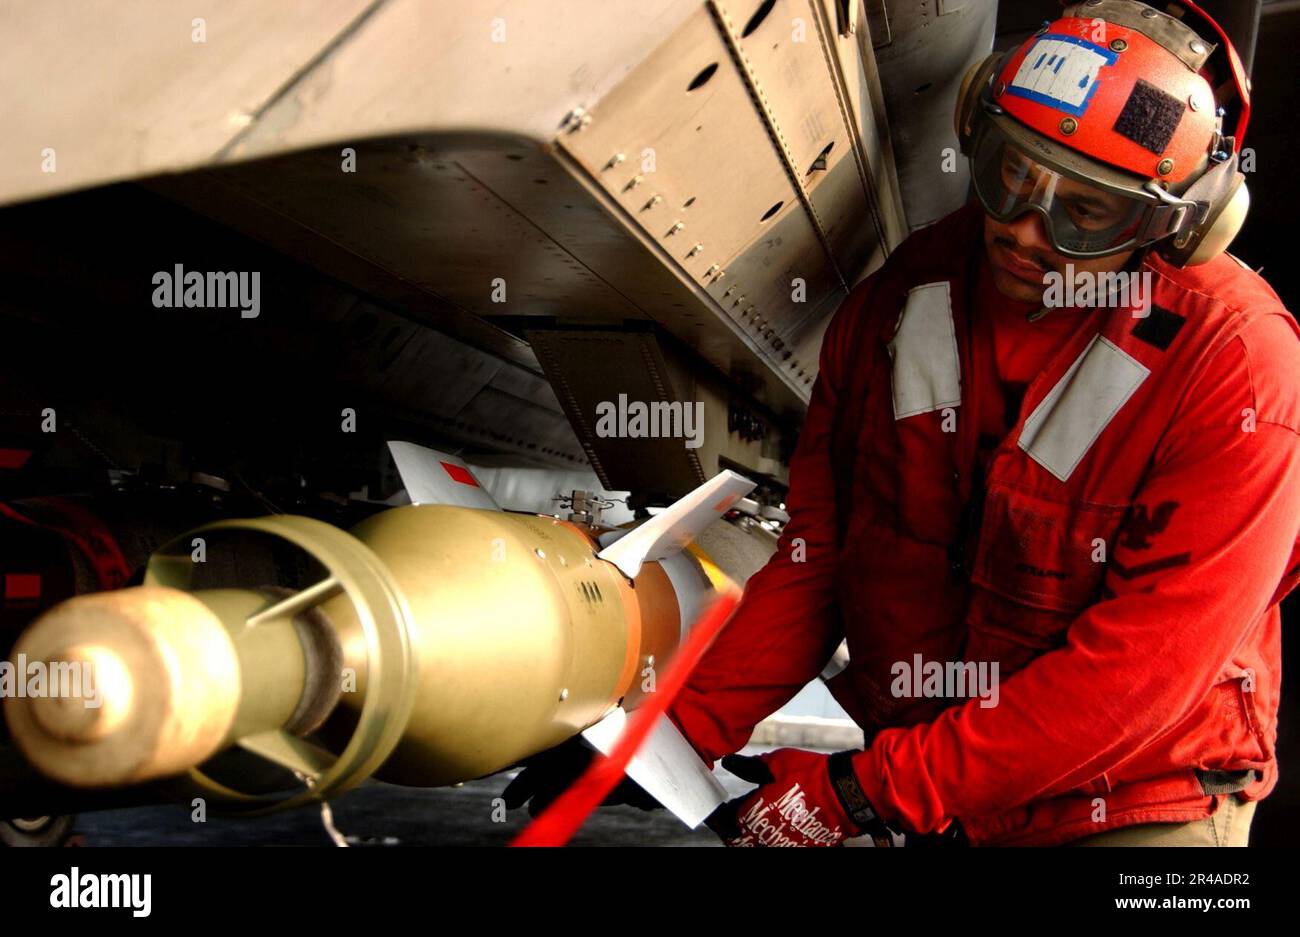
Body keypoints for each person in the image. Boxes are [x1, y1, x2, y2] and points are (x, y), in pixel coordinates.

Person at [510, 0, 1300, 847]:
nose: (1027, 230)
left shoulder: (1233, 362)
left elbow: (1142, 673)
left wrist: (858, 792)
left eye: (1088, 212)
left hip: (1127, 804)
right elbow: (818, 560)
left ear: (1172, 225)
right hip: (943, 797)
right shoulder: (904, 296)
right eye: (1010, 173)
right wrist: (667, 735)